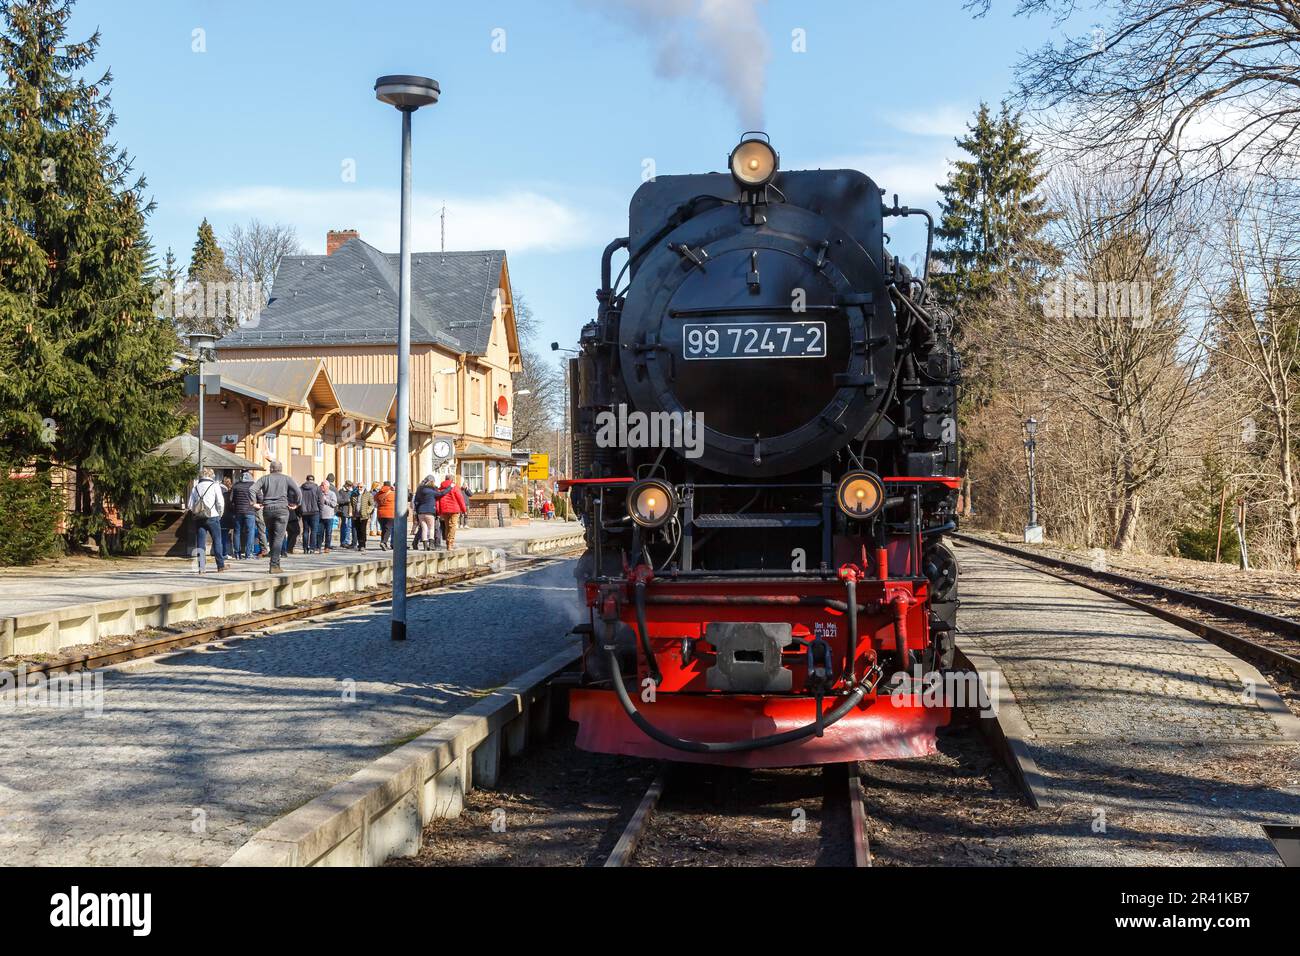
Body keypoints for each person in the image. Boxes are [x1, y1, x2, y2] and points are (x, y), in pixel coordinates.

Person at [252, 459, 300, 573]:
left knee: (272, 536)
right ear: (281, 469)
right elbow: (298, 492)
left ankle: (275, 564)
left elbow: (252, 489)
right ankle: (274, 565)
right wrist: (296, 504)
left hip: (267, 509)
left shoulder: (265, 478)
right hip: (282, 510)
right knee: (279, 537)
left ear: (271, 469)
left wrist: (253, 503)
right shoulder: (286, 479)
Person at [186, 467, 226, 573]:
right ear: (211, 475)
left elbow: (190, 505)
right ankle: (220, 565)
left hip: (199, 518)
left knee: (200, 543)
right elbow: (220, 503)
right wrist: (220, 514)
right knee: (217, 541)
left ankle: (201, 567)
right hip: (213, 516)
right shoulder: (215, 486)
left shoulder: (196, 487)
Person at [413, 475, 449, 551]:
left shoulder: (419, 490)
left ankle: (425, 546)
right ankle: (431, 544)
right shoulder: (432, 491)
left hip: (420, 512)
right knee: (431, 528)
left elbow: (416, 501)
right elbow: (442, 494)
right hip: (430, 512)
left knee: (424, 529)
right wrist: (450, 487)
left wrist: (416, 511)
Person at [231, 470, 258, 559]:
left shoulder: (236, 486)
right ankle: (248, 554)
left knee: (237, 532)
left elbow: (231, 500)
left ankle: (237, 554)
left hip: (238, 512)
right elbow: (260, 497)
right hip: (250, 511)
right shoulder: (253, 485)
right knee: (250, 532)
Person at [436, 477, 468, 550]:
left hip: (444, 509)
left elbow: (437, 499)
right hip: (454, 509)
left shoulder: (441, 488)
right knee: (453, 526)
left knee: (447, 526)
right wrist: (464, 509)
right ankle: (450, 543)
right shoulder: (455, 487)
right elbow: (460, 498)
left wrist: (439, 510)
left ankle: (448, 543)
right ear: (452, 480)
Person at [299, 474, 322, 554]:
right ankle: (312, 548)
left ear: (306, 479)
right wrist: (321, 511)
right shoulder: (317, 488)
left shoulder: (301, 488)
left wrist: (300, 511)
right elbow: (320, 501)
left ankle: (305, 548)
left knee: (305, 530)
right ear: (313, 480)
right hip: (315, 512)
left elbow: (299, 500)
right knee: (314, 531)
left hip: (304, 512)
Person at [352, 482, 374, 550]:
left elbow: (372, 505)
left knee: (362, 530)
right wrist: (351, 511)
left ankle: (363, 545)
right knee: (358, 530)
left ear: (364, 487)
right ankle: (359, 544)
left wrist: (368, 511)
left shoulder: (368, 494)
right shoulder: (354, 494)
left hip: (364, 516)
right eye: (358, 487)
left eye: (361, 487)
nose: (359, 488)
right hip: (356, 515)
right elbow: (351, 503)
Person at [375, 480, 396, 550]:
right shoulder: (393, 493)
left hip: (380, 514)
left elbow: (375, 499)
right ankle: (384, 542)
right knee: (388, 529)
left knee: (383, 529)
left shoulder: (379, 493)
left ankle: (383, 543)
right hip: (390, 514)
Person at [220, 476, 237, 556]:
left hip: (222, 516)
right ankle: (227, 552)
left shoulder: (222, 494)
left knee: (223, 535)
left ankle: (224, 552)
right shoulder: (230, 495)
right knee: (232, 534)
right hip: (229, 517)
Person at [320, 479, 337, 553]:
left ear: (327, 486)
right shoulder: (319, 493)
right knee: (319, 533)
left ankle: (327, 547)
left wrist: (325, 499)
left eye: (323, 485)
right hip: (320, 516)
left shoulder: (332, 494)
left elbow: (334, 504)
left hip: (329, 516)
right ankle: (318, 546)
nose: (321, 487)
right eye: (321, 485)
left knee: (328, 533)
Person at [336, 480, 354, 548]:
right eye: (349, 486)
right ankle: (343, 542)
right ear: (346, 485)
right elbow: (339, 500)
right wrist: (347, 500)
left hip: (350, 512)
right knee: (344, 527)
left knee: (349, 527)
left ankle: (347, 541)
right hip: (344, 512)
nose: (349, 487)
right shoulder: (341, 491)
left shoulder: (351, 492)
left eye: (350, 486)